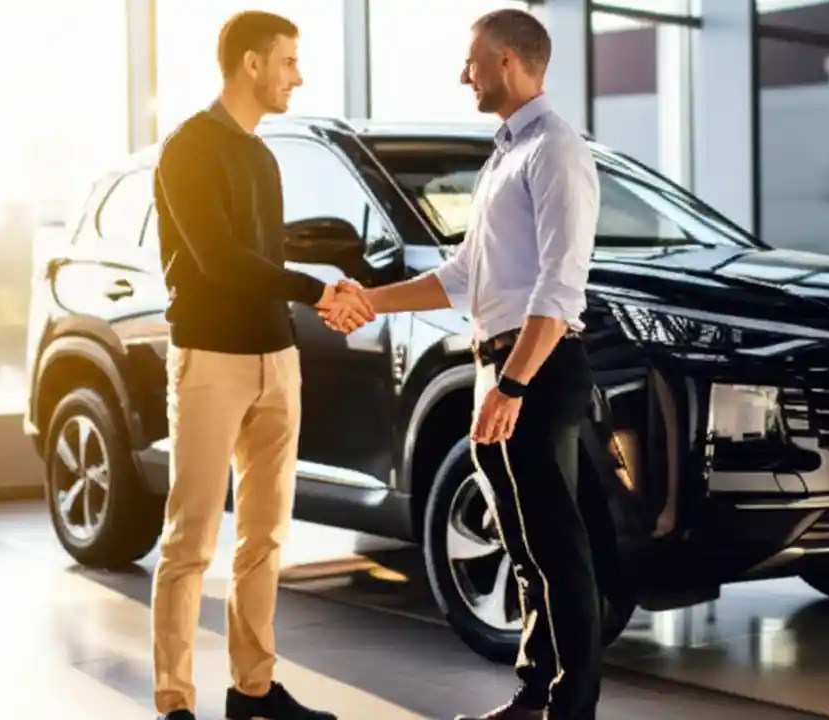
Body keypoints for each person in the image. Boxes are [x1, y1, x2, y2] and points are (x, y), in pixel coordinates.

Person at [322, 8, 602, 720]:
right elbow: (461, 275)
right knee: (522, 542)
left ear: (508, 60)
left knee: (555, 544)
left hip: (533, 371)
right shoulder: (505, 155)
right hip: (500, 364)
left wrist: (512, 385)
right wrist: (368, 300)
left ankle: (573, 707)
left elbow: (559, 285)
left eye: (473, 61)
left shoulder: (555, 149)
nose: (463, 74)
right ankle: (535, 694)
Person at [150, 10, 371, 720]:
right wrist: (316, 289)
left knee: (266, 536)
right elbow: (220, 262)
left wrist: (315, 299)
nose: (296, 76)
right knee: (191, 539)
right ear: (250, 63)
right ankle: (175, 702)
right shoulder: (188, 149)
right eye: (288, 61)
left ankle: (252, 691)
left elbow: (264, 263)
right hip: (210, 361)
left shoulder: (262, 155)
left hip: (278, 360)